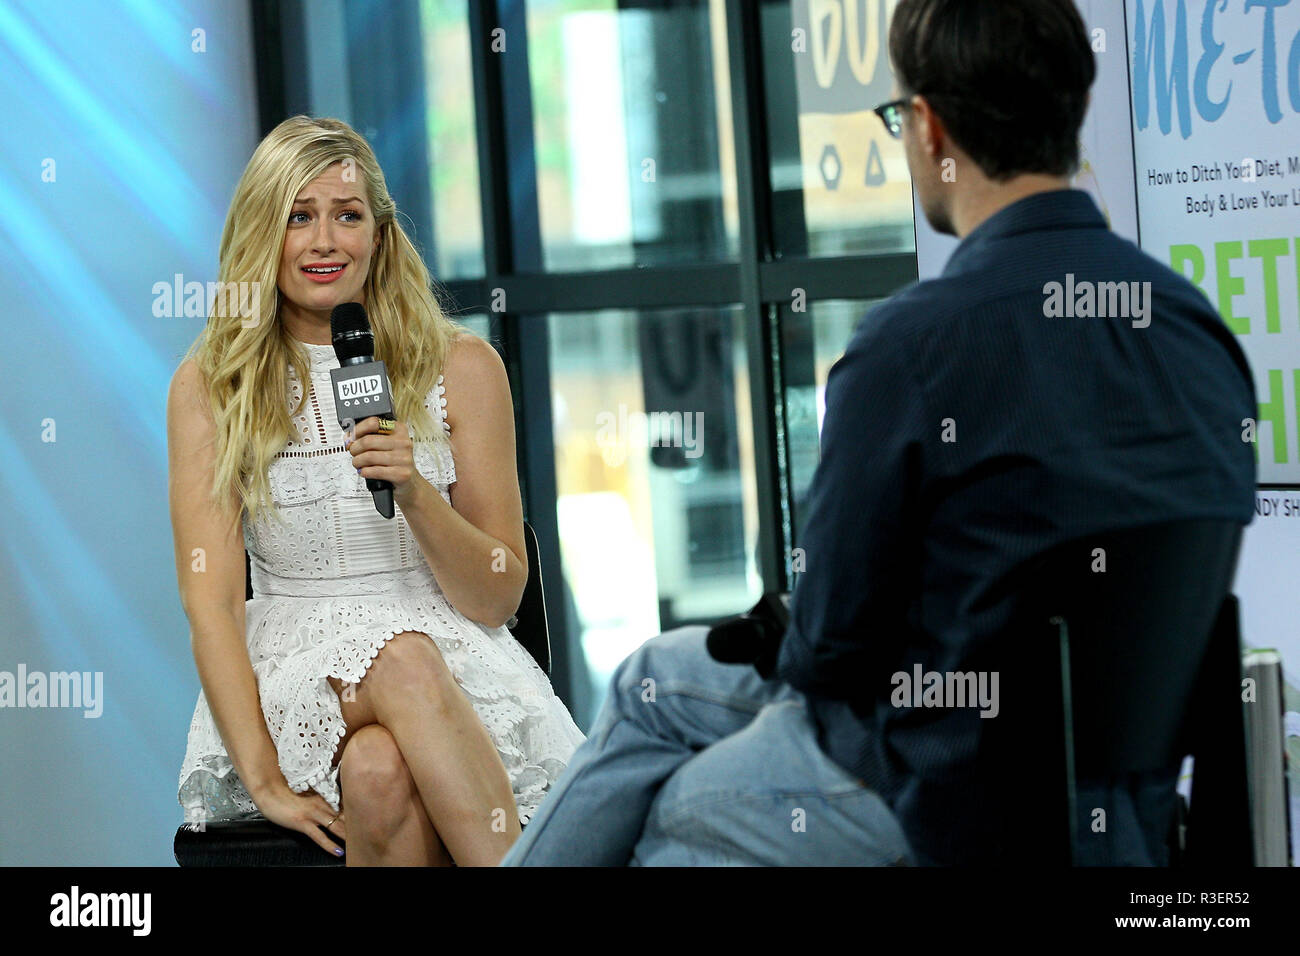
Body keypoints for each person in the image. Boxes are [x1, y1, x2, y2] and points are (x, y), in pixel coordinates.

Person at [500, 0, 1257, 866]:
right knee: (654, 679)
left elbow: (830, 650)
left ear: (929, 127)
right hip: (1121, 788)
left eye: (899, 117)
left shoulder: (912, 347)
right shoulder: (1200, 333)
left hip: (940, 783)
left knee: (678, 793)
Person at [171, 116, 585, 866]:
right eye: (299, 217)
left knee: (378, 770)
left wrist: (416, 490)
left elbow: (497, 599)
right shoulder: (212, 385)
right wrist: (262, 779)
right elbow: (212, 603)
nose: (325, 241)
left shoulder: (463, 368)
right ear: (264, 233)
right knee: (400, 660)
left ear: (380, 234)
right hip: (295, 671)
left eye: (347, 215)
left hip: (455, 659)